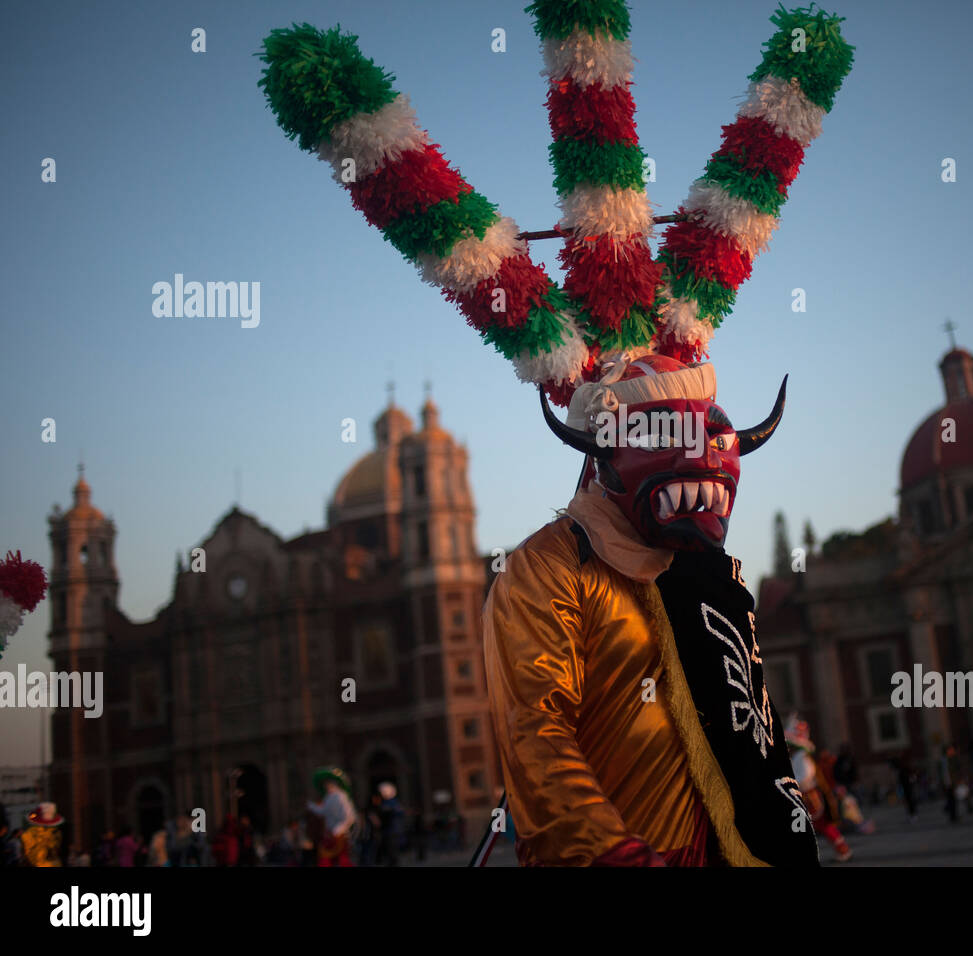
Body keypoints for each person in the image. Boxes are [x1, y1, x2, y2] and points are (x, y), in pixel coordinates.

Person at [254, 2, 854, 870]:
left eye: (704, 427)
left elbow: (751, 730)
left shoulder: (712, 573)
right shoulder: (544, 571)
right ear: (604, 443)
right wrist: (614, 855)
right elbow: (539, 743)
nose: (699, 452)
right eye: (659, 425)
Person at [787, 715, 852, 861]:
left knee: (820, 825)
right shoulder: (798, 757)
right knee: (813, 826)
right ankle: (842, 850)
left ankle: (843, 850)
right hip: (805, 797)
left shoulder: (802, 757)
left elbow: (804, 777)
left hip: (808, 797)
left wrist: (790, 784)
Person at [307, 767, 358, 867]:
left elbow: (350, 817)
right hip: (329, 834)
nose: (326, 786)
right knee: (327, 860)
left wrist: (338, 830)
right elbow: (323, 812)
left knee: (341, 861)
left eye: (328, 783)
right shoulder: (328, 797)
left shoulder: (341, 796)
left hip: (339, 835)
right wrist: (311, 806)